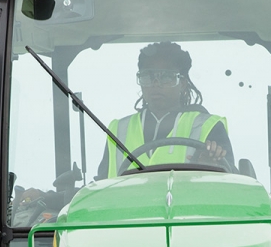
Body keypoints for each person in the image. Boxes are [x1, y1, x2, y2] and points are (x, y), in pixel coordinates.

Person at [95, 42, 232, 179]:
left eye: (166, 76)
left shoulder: (209, 127)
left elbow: (232, 185)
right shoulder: (118, 130)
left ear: (183, 83)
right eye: (148, 76)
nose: (156, 83)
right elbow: (100, 188)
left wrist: (212, 170)